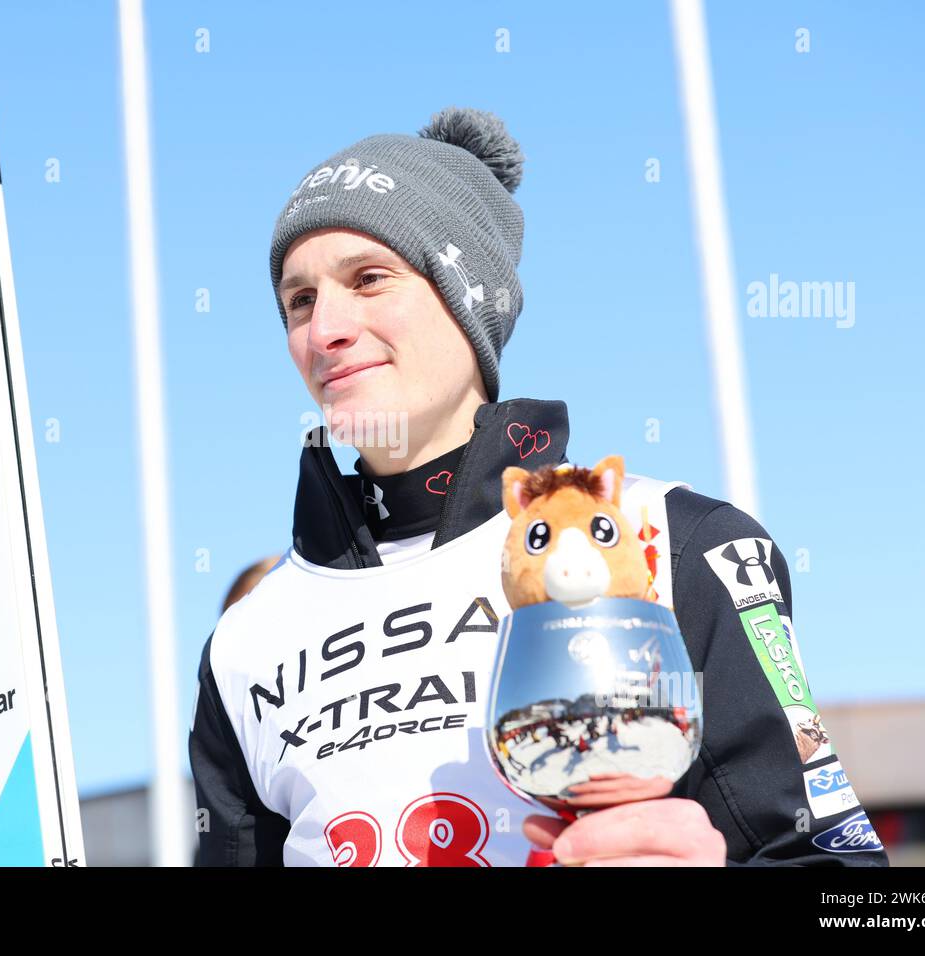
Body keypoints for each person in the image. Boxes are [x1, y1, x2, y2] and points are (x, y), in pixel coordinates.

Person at [187, 106, 889, 867]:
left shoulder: (671, 539)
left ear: (467, 300)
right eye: (300, 300)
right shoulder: (245, 641)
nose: (326, 329)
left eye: (369, 279)